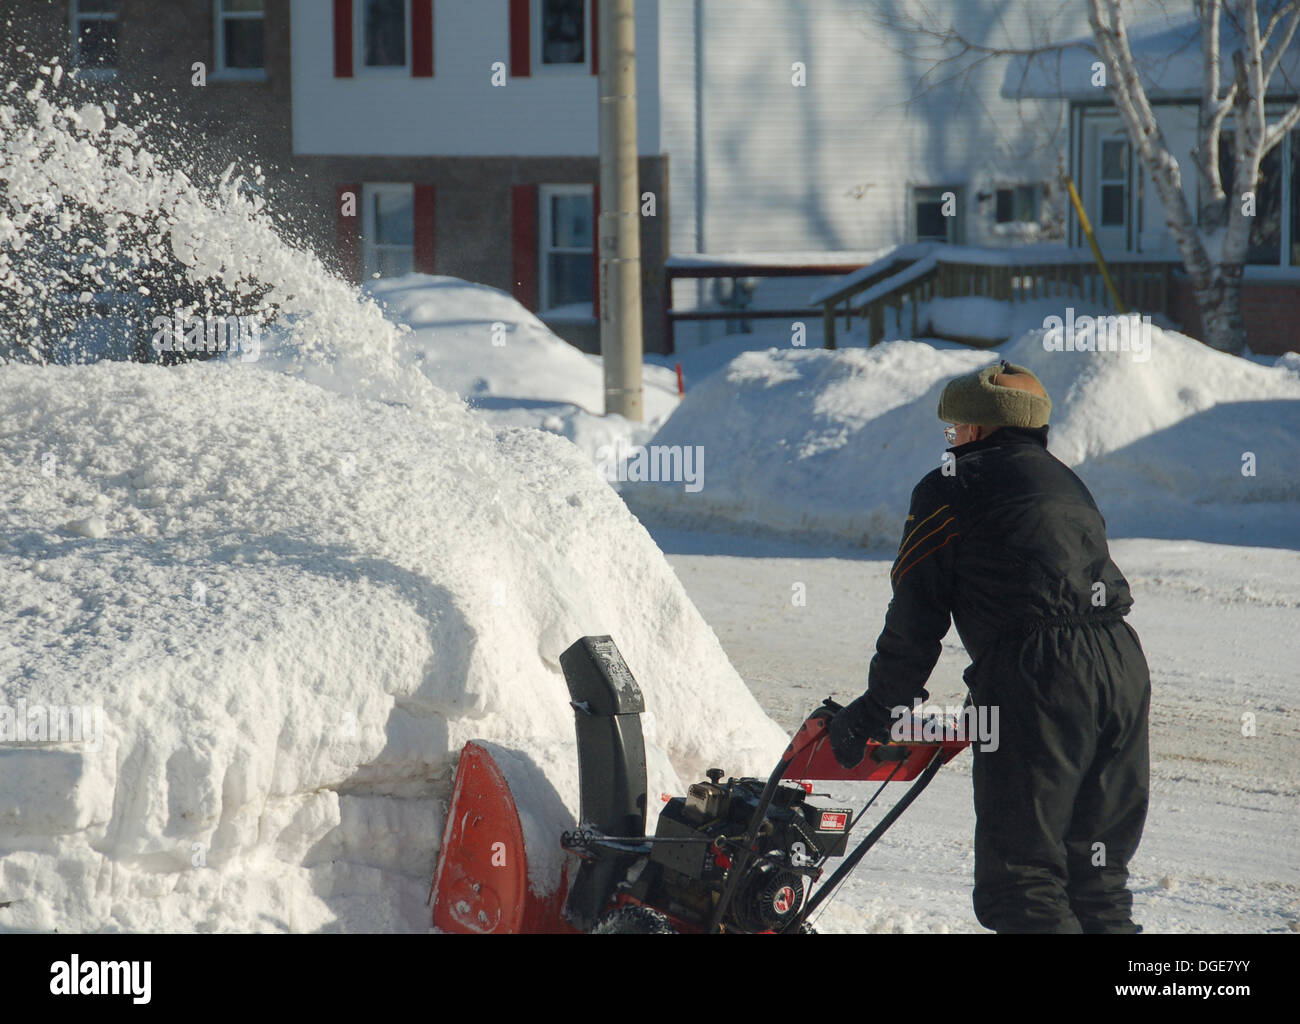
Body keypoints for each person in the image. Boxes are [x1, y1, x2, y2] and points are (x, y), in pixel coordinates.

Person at [828, 360, 1151, 934]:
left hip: (1039, 677)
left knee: (1021, 883)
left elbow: (917, 610)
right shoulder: (1065, 479)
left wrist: (880, 708)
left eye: (952, 428)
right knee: (1095, 879)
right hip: (1122, 665)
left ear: (977, 430)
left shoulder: (952, 484)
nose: (949, 440)